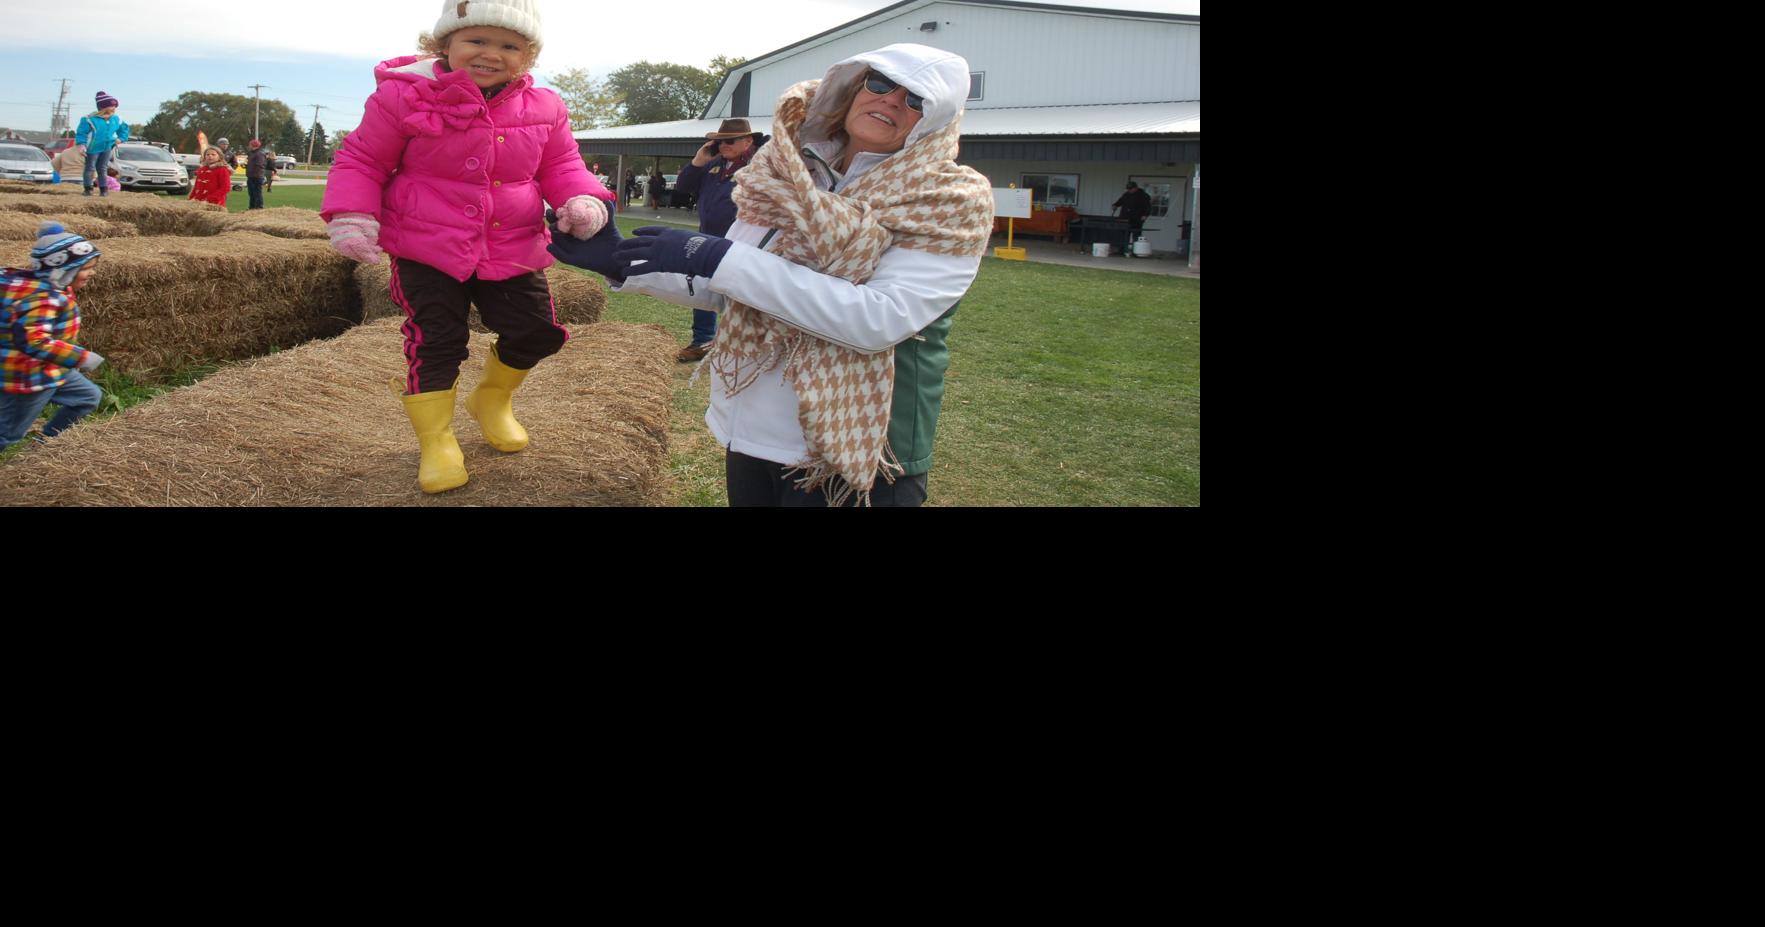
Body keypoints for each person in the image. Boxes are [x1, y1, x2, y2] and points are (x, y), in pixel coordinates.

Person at [552, 44, 994, 507]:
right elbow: (730, 288)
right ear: (853, 86)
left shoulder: (950, 199)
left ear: (935, 121)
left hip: (852, 446)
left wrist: (718, 257)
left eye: (916, 99)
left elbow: (878, 321)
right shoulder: (787, 172)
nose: (890, 100)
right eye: (881, 83)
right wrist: (621, 260)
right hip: (755, 427)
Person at [321, 0, 615, 494]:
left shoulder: (546, 107)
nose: (490, 54)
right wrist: (352, 215)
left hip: (513, 244)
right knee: (437, 340)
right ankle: (436, 440)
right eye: (476, 40)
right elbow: (362, 159)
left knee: (537, 332)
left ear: (528, 56)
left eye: (508, 45)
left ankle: (492, 400)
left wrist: (581, 199)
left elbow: (562, 164)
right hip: (425, 245)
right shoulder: (403, 96)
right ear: (445, 44)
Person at [668, 118, 769, 363]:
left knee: (744, 293)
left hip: (746, 242)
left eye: (730, 141)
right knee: (703, 287)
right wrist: (697, 162)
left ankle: (747, 344)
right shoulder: (713, 165)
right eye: (720, 141)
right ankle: (703, 341)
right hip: (708, 237)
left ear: (748, 141)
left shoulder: (762, 165)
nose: (723, 145)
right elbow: (683, 188)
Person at [1, 223, 107, 449]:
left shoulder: (52, 285)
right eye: (87, 268)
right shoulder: (42, 298)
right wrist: (81, 358)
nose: (92, 272)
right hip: (29, 376)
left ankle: (46, 442)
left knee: (88, 397)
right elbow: (34, 341)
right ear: (63, 269)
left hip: (52, 369)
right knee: (8, 434)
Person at [74, 92, 129, 197]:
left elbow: (124, 130)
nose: (114, 108)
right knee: (90, 168)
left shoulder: (116, 119)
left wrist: (121, 139)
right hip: (92, 148)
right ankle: (88, 188)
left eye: (115, 106)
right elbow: (82, 133)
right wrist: (81, 145)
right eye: (111, 106)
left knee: (102, 168)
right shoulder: (89, 119)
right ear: (103, 107)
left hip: (107, 147)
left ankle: (104, 189)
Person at [1112, 181, 1152, 256]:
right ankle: (1122, 251)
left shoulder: (1143, 195)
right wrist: (1115, 205)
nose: (1129, 190)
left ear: (1136, 188)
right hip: (1124, 218)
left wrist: (1145, 215)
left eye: (1131, 189)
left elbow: (1148, 207)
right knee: (1123, 235)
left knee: (1136, 236)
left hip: (1137, 218)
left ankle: (1136, 252)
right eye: (1128, 189)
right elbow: (1120, 201)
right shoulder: (1126, 194)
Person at [245, 139, 269, 209]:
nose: (249, 146)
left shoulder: (259, 154)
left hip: (257, 176)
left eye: (250, 144)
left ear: (253, 145)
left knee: (257, 193)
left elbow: (260, 165)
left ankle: (259, 207)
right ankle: (252, 207)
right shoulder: (252, 153)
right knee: (251, 193)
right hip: (251, 176)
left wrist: (252, 169)